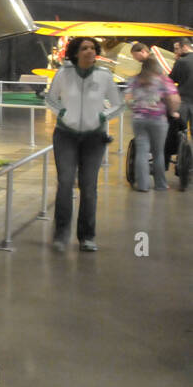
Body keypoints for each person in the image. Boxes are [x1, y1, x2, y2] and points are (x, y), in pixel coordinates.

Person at [43, 37, 121, 252]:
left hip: (94, 138)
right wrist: (62, 113)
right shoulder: (63, 74)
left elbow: (118, 105)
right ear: (76, 52)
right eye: (84, 48)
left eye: (92, 48)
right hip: (65, 136)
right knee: (65, 183)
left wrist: (102, 117)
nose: (89, 51)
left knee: (88, 187)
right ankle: (61, 234)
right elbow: (50, 99)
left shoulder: (104, 76)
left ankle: (87, 236)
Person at [125, 54, 178, 192]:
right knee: (158, 152)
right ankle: (160, 184)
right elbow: (173, 99)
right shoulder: (163, 80)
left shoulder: (135, 79)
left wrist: (137, 109)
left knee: (142, 151)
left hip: (139, 119)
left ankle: (143, 185)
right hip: (158, 119)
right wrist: (173, 112)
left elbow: (128, 99)